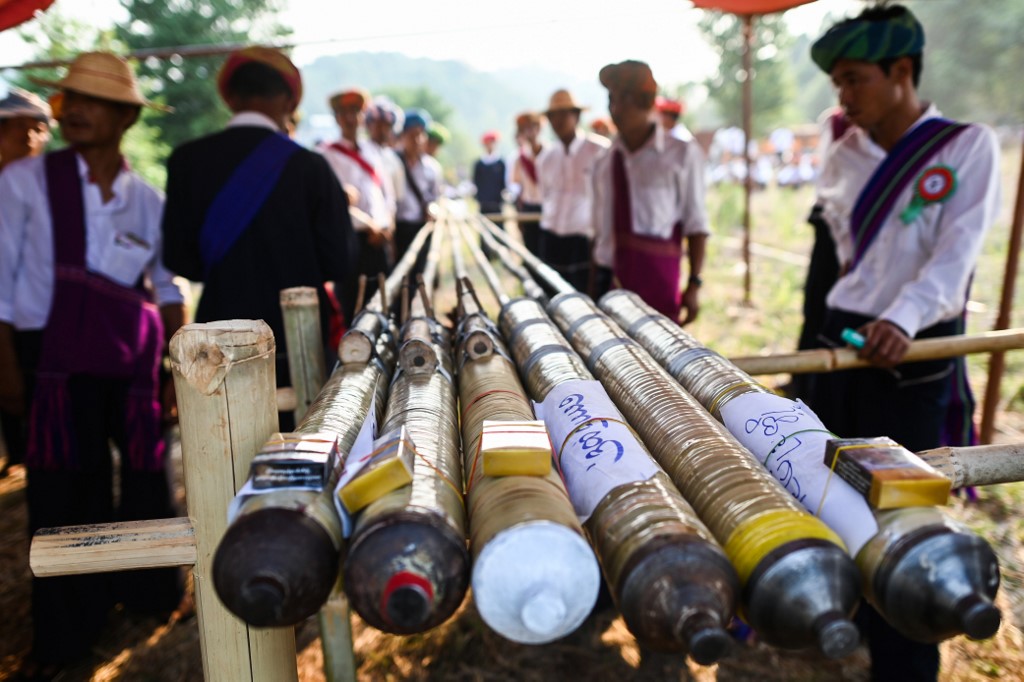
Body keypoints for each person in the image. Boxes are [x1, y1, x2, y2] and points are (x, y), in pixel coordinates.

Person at [807, 6, 1000, 680]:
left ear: (902, 72)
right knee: (834, 493)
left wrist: (905, 317)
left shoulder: (964, 147)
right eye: (837, 84)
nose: (845, 97)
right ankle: (840, 619)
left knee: (904, 506)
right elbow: (834, 266)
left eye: (855, 79)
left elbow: (954, 258)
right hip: (842, 345)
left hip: (912, 352)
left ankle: (905, 653)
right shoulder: (843, 152)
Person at [0, 51, 186, 680]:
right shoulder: (23, 181)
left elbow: (166, 289)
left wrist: (171, 369)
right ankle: (67, 630)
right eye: (68, 100)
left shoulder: (146, 199)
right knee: (62, 495)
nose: (74, 110)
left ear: (126, 116)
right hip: (51, 363)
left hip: (131, 369)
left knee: (144, 480)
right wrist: (6, 370)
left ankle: (149, 595)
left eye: (93, 101)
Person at [161, 47, 355, 430]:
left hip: (217, 342)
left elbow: (181, 261)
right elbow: (341, 262)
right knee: (301, 445)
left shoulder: (186, 161)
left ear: (231, 98)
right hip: (296, 345)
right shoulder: (311, 167)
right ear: (288, 101)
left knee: (224, 449)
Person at [592, 61, 709, 324]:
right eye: (612, 99)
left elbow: (696, 223)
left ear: (647, 101)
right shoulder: (605, 161)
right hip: (610, 282)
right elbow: (599, 235)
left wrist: (694, 284)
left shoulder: (680, 154)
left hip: (658, 284)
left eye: (625, 98)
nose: (616, 108)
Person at [0, 87, 52, 479]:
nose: (28, 138)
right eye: (16, 130)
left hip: (35, 330)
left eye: (37, 129)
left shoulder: (58, 188)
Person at [320, 87, 393, 323]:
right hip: (350, 239)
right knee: (352, 305)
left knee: (381, 303)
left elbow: (385, 194)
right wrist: (370, 225)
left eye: (355, 111)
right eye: (344, 112)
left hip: (379, 238)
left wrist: (387, 224)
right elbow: (333, 202)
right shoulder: (326, 154)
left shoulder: (374, 151)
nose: (350, 118)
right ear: (336, 118)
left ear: (363, 116)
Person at [533, 90, 608, 292]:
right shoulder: (546, 158)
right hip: (551, 235)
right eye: (553, 116)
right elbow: (545, 195)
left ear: (576, 116)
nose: (557, 121)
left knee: (583, 297)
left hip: (583, 238)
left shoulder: (599, 151)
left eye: (563, 114)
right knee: (551, 294)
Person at [393, 109, 442, 266]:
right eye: (412, 134)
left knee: (419, 272)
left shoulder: (432, 167)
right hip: (398, 229)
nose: (417, 139)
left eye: (421, 134)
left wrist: (432, 209)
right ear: (403, 136)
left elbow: (435, 198)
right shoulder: (391, 163)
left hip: (421, 226)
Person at [509, 111, 544, 255]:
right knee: (531, 249)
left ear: (539, 128)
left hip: (547, 208)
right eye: (525, 129)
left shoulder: (551, 153)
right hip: (529, 207)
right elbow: (517, 185)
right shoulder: (520, 158)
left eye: (532, 127)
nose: (529, 132)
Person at [472, 130, 505, 218]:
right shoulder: (479, 164)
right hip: (483, 203)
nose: (490, 146)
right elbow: (476, 181)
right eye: (487, 143)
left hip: (497, 203)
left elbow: (503, 183)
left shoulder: (501, 163)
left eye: (492, 143)